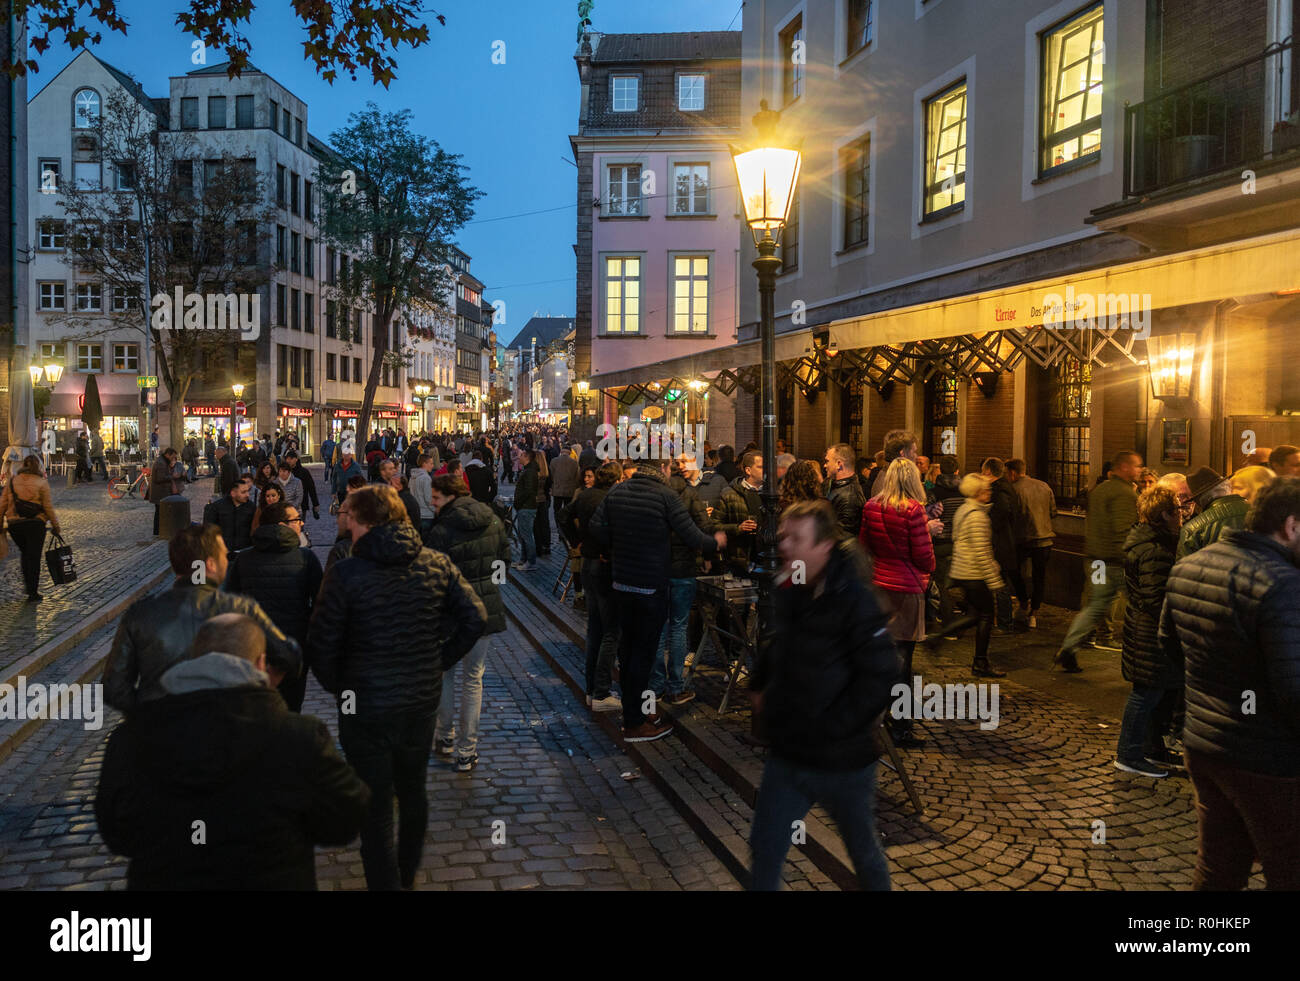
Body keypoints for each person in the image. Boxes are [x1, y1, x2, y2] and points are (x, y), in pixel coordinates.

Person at [96, 613, 369, 890]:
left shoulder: (130, 739)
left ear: (195, 661)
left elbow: (118, 833)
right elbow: (345, 820)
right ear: (261, 664)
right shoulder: (300, 737)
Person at [307, 485, 488, 891]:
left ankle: (386, 883)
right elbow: (475, 617)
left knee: (373, 803)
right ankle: (405, 876)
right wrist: (437, 661)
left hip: (365, 707)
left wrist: (343, 689)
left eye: (349, 519)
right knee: (412, 790)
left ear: (366, 521)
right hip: (419, 699)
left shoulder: (347, 572)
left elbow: (319, 643)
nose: (346, 527)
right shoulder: (435, 562)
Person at [747, 499, 899, 891]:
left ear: (824, 547)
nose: (785, 546)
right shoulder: (792, 585)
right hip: (789, 754)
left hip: (842, 762)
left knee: (863, 851)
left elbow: (880, 674)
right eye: (783, 537)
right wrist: (759, 685)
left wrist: (834, 726)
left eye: (796, 539)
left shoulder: (855, 599)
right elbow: (779, 642)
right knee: (765, 846)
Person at [1160, 478, 1300, 889]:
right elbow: (1294, 691)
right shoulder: (1283, 583)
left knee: (1220, 866)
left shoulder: (1190, 565)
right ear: (1291, 525)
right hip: (1268, 758)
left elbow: (1170, 647)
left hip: (1204, 743)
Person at [590, 462, 726, 742]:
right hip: (650, 585)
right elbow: (692, 535)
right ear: (662, 469)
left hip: (621, 584)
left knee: (628, 652)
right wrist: (716, 543)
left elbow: (596, 530)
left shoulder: (616, 493)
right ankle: (635, 723)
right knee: (643, 652)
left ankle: (637, 710)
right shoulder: (666, 496)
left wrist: (615, 549)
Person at [102, 525, 301, 712]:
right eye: (224, 555)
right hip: (229, 725)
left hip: (162, 733)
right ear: (211, 565)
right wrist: (263, 687)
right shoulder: (240, 608)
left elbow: (114, 687)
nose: (227, 559)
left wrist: (149, 714)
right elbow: (288, 655)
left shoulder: (141, 614)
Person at [426, 474, 510, 771]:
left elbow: (432, 575)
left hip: (450, 613)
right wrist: (490, 587)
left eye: (435, 497)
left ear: (450, 496)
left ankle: (445, 737)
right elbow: (503, 562)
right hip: (484, 610)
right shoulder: (493, 520)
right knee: (473, 679)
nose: (431, 503)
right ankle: (467, 751)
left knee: (445, 673)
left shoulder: (442, 530)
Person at [860, 458, 936, 745]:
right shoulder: (914, 511)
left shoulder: (871, 506)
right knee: (903, 659)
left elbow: (864, 544)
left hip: (879, 585)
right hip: (906, 587)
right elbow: (924, 556)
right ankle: (900, 726)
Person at [224, 501, 323, 712]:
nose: (301, 523)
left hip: (253, 649)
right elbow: (321, 605)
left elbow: (229, 605)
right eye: (296, 519)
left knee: (257, 711)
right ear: (282, 525)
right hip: (293, 647)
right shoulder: (306, 558)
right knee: (291, 709)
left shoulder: (243, 559)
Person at [1113, 485, 1183, 778]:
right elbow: (1156, 598)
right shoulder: (1155, 549)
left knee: (1153, 691)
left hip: (1144, 627)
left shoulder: (1149, 541)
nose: (1181, 515)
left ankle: (1150, 749)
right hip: (1150, 632)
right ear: (1164, 514)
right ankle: (1128, 754)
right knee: (1145, 693)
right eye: (1177, 510)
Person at [1053, 450, 1142, 673]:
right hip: (1115, 562)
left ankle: (1069, 648)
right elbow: (1124, 532)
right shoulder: (1125, 494)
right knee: (1142, 604)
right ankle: (1144, 652)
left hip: (1096, 559)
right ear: (1124, 467)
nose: (1139, 470)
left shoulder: (1100, 490)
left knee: (1095, 606)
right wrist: (1131, 559)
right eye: (1137, 466)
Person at [649, 455, 714, 706]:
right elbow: (704, 527)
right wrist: (706, 555)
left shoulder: (656, 494)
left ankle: (655, 686)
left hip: (657, 569)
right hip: (683, 569)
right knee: (678, 628)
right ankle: (676, 686)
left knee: (657, 629)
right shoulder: (689, 494)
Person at [930, 473, 1007, 678]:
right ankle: (980, 662)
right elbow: (982, 551)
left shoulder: (965, 510)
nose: (989, 493)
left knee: (974, 614)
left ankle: (940, 636)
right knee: (986, 616)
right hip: (974, 573)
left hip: (964, 570)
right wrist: (994, 580)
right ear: (978, 493)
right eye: (986, 490)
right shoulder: (977, 516)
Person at [561, 461, 624, 711]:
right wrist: (604, 550)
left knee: (595, 629)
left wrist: (577, 541)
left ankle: (591, 690)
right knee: (611, 631)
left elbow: (563, 515)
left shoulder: (586, 496)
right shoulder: (610, 499)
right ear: (616, 479)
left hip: (587, 564)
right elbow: (609, 532)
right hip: (603, 567)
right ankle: (600, 691)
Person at [1, 455, 62, 601]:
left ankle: (28, 587)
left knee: (25, 553)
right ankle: (32, 591)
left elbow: (3, 504)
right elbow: (48, 507)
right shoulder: (41, 483)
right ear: (38, 467)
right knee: (33, 557)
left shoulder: (12, 481)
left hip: (15, 524)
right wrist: (56, 526)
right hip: (36, 524)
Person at [1004, 459, 1055, 629]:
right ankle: (1034, 612)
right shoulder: (1044, 486)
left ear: (1012, 472)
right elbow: (1053, 512)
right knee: (1039, 577)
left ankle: (1023, 601)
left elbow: (1011, 515)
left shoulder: (1013, 489)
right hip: (1045, 538)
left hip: (1022, 539)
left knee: (1013, 570)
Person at [981, 457, 1027, 631]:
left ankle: (1004, 621)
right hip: (1004, 542)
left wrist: (989, 523)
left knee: (1000, 583)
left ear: (988, 472)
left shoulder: (1000, 490)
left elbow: (1002, 512)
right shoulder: (1005, 488)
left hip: (1002, 543)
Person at [1177, 466, 1251, 560]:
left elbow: (1185, 572)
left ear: (1199, 499)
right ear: (1226, 486)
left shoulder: (1192, 530)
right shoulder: (1261, 512)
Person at [716, 450, 764, 575]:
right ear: (748, 471)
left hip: (765, 559)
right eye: (760, 467)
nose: (765, 470)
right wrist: (738, 528)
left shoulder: (770, 494)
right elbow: (714, 526)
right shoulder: (729, 494)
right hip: (739, 560)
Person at [203, 476, 256, 552]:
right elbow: (209, 530)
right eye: (243, 492)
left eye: (248, 491)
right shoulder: (217, 507)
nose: (247, 495)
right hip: (223, 550)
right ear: (233, 493)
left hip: (244, 550)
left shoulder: (251, 507)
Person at [825, 442, 866, 537]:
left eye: (827, 461)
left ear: (839, 464)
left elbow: (844, 537)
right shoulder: (837, 486)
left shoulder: (850, 497)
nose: (825, 465)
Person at [869, 430, 918, 499]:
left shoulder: (894, 476)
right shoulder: (888, 483)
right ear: (903, 454)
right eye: (914, 452)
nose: (916, 456)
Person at [513, 448, 540, 570]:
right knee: (523, 534)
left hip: (527, 507)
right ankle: (523, 559)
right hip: (524, 506)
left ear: (527, 457)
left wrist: (518, 501)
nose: (520, 457)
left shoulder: (530, 472)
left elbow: (529, 490)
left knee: (527, 535)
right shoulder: (528, 470)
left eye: (522, 455)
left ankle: (531, 562)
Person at [150, 448, 181, 535]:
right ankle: (157, 532)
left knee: (160, 512)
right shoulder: (161, 463)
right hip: (160, 492)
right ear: (168, 454)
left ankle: (159, 531)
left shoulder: (163, 461)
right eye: (173, 457)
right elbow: (160, 478)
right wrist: (173, 476)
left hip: (161, 491)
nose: (173, 459)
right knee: (159, 513)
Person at [551, 444, 580, 528]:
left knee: (557, 510)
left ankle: (558, 526)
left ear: (561, 451)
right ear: (570, 452)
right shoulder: (574, 462)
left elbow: (552, 475)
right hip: (569, 490)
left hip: (557, 489)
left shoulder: (554, 461)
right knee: (567, 511)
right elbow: (577, 477)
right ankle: (566, 526)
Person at [410, 453, 437, 537]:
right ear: (424, 463)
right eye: (431, 463)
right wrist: (436, 510)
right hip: (426, 514)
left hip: (416, 513)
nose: (433, 466)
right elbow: (428, 499)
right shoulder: (426, 478)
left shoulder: (412, 477)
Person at [534, 449, 553, 557]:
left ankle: (539, 546)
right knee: (545, 523)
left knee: (536, 524)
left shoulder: (534, 470)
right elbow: (550, 483)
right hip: (545, 498)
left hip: (536, 499)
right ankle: (547, 545)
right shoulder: (547, 469)